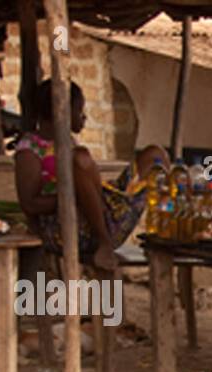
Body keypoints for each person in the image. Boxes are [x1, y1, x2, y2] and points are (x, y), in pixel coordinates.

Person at [14, 80, 168, 270]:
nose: (84, 117)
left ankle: (172, 226)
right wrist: (73, 198)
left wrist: (89, 196)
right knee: (80, 158)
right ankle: (104, 242)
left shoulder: (68, 142)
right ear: (61, 110)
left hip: (102, 217)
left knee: (154, 155)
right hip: (65, 230)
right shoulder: (29, 150)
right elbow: (29, 204)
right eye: (79, 110)